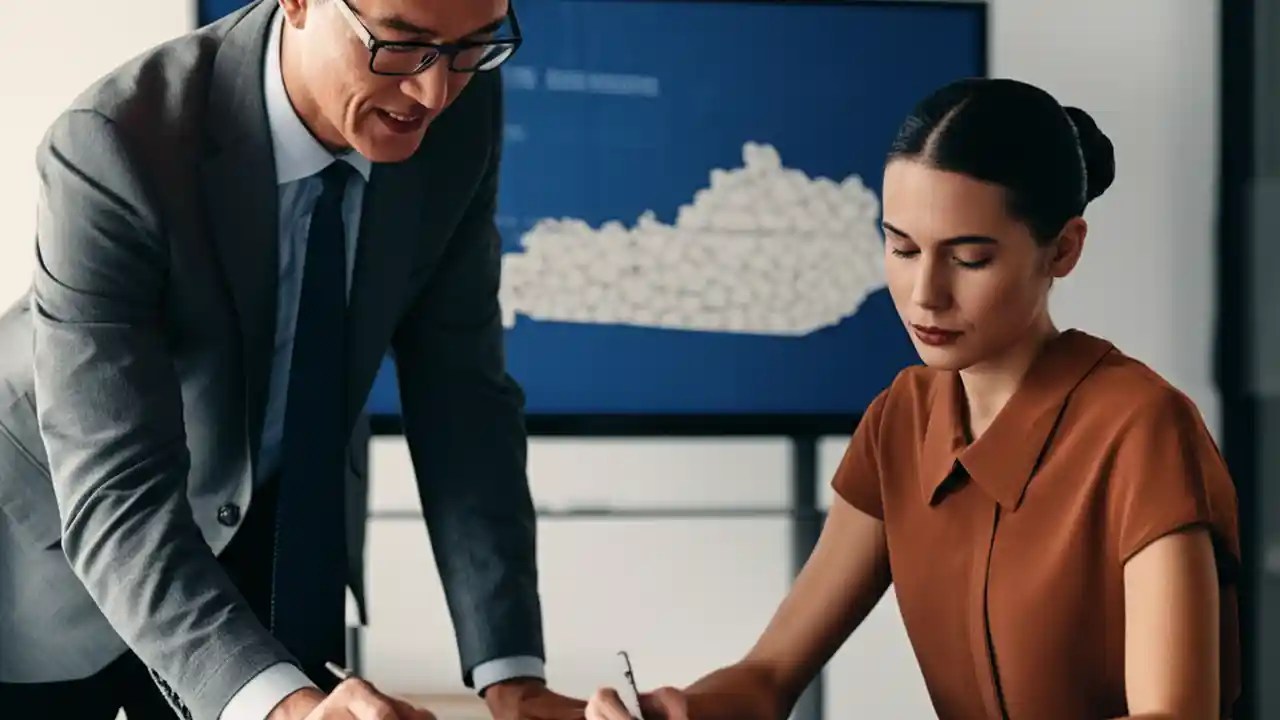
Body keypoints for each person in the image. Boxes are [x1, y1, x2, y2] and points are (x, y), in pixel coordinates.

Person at [584, 78, 1241, 720]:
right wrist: (685, 709)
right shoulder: (900, 421)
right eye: (900, 246)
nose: (924, 293)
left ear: (1063, 249)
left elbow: (1174, 713)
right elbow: (770, 676)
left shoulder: (1142, 427)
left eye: (970, 259)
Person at [0, 0, 585, 719]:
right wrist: (282, 711)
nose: (434, 92)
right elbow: (116, 481)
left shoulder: (459, 109)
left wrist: (515, 681)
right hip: (54, 553)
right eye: (401, 42)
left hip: (273, 547)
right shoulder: (115, 140)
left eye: (475, 45)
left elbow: (461, 395)